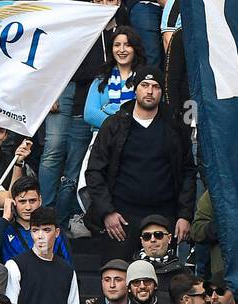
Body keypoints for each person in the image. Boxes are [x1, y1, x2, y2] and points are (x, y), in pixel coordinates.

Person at [82, 66, 196, 260]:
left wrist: (184, 215)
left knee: (161, 283)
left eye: (155, 86)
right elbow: (94, 171)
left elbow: (188, 172)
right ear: (135, 89)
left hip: (163, 218)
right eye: (144, 85)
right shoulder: (114, 125)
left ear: (162, 92)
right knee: (116, 281)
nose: (150, 91)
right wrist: (107, 212)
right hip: (121, 219)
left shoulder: (174, 127)